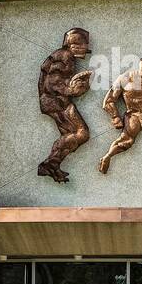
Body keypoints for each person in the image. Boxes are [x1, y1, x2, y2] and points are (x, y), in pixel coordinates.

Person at [36, 28, 94, 182]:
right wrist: (71, 90)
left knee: (70, 134)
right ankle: (49, 164)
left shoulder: (63, 55)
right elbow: (54, 81)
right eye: (82, 45)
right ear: (72, 44)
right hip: (57, 102)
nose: (84, 49)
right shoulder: (65, 55)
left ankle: (52, 166)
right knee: (82, 132)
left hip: (55, 101)